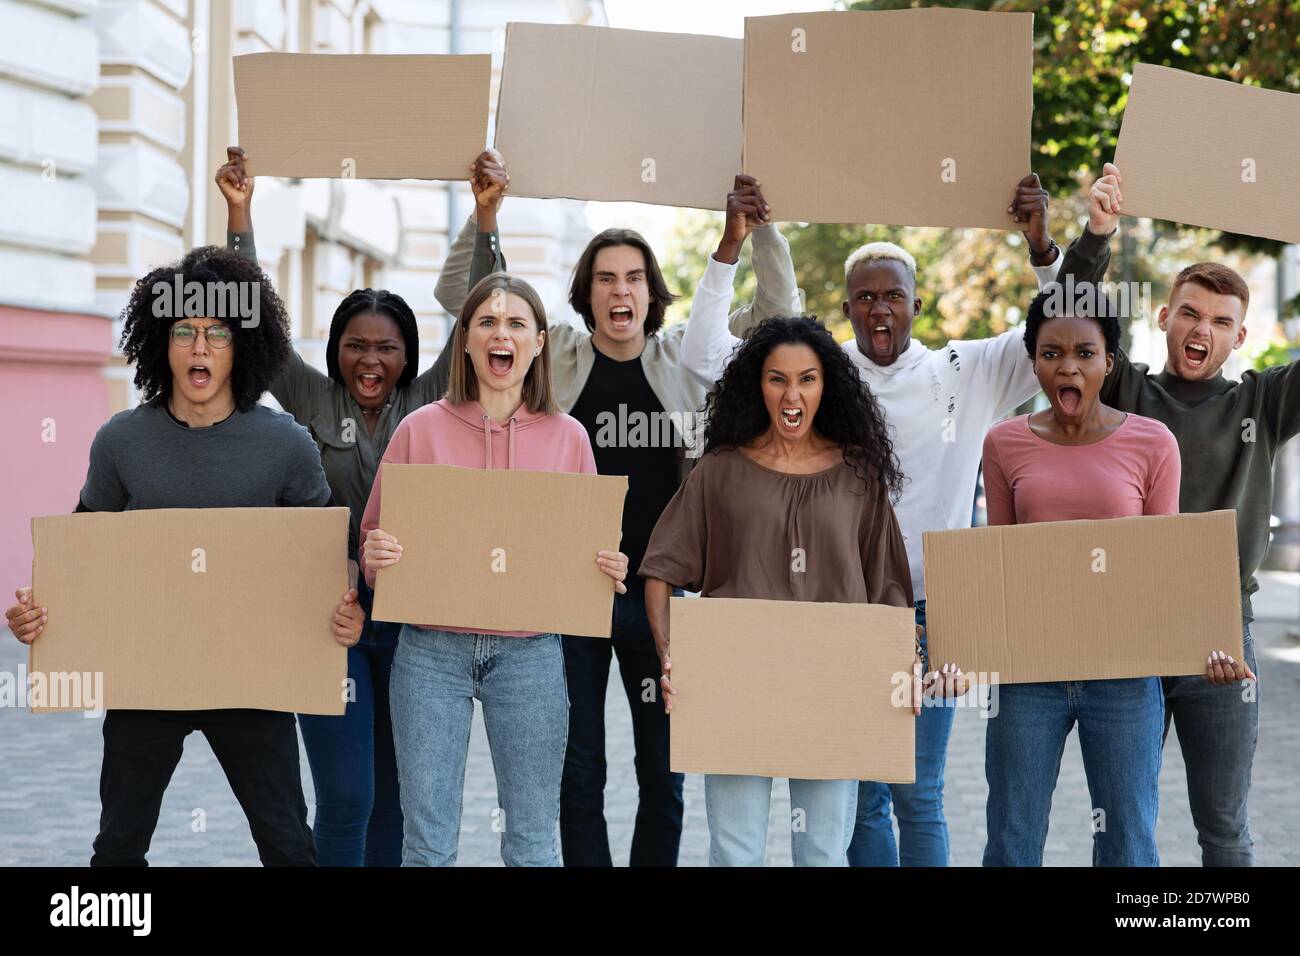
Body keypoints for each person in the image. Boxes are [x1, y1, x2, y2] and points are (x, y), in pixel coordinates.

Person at [680, 175, 1071, 866]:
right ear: (848, 308)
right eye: (866, 297)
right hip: (840, 614)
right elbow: (703, 355)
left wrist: (1042, 246)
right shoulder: (823, 381)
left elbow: (1063, 321)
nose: (880, 308)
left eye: (893, 295)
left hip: (931, 610)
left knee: (918, 791)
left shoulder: (968, 369)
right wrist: (730, 245)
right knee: (859, 798)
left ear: (918, 303)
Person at [468, 160, 800, 866]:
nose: (622, 290)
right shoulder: (552, 355)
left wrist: (754, 234)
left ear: (653, 294)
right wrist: (488, 221)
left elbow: (778, 313)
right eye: (606, 278)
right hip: (571, 592)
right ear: (587, 296)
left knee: (665, 771)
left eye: (635, 278)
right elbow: (479, 306)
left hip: (664, 591)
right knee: (578, 771)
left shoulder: (687, 357)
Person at [5, 245, 364, 866]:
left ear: (243, 345)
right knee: (117, 848)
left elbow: (328, 555)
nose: (200, 348)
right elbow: (83, 552)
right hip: (147, 676)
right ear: (159, 343)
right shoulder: (121, 440)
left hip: (253, 678)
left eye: (218, 334)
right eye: (184, 332)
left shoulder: (286, 445)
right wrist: (41, 613)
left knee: (288, 847)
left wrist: (347, 606)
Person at [216, 145, 509, 866]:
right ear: (335, 350)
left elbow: (481, 312)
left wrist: (486, 218)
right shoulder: (313, 398)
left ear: (409, 355)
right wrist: (240, 215)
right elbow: (253, 321)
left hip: (415, 623)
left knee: (396, 796)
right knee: (346, 796)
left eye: (385, 348)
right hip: (332, 619)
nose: (369, 361)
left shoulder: (434, 399)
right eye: (354, 346)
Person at [1048, 163, 1287, 865]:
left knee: (1225, 828)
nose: (1200, 329)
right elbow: (1071, 310)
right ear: (1164, 317)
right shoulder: (1122, 390)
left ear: (1239, 338)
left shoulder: (1261, 405)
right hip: (1127, 627)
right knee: (1119, 823)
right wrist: (1097, 235)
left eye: (1219, 321)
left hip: (1223, 629)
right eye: (1188, 312)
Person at [359, 272, 630, 866]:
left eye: (514, 323)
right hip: (430, 654)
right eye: (486, 322)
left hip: (531, 655)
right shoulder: (419, 429)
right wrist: (374, 557)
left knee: (533, 844)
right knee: (427, 845)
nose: (499, 334)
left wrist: (605, 566)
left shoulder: (570, 438)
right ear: (465, 340)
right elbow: (373, 544)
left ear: (538, 342)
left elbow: (587, 552)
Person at [640, 315, 916, 866]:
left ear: (826, 386)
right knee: (735, 852)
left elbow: (888, 586)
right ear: (756, 385)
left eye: (807, 379)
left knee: (821, 853)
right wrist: (672, 655)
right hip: (735, 681)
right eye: (777, 379)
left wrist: (905, 660)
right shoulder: (719, 470)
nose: (793, 394)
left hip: (835, 685)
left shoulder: (859, 474)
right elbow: (661, 568)